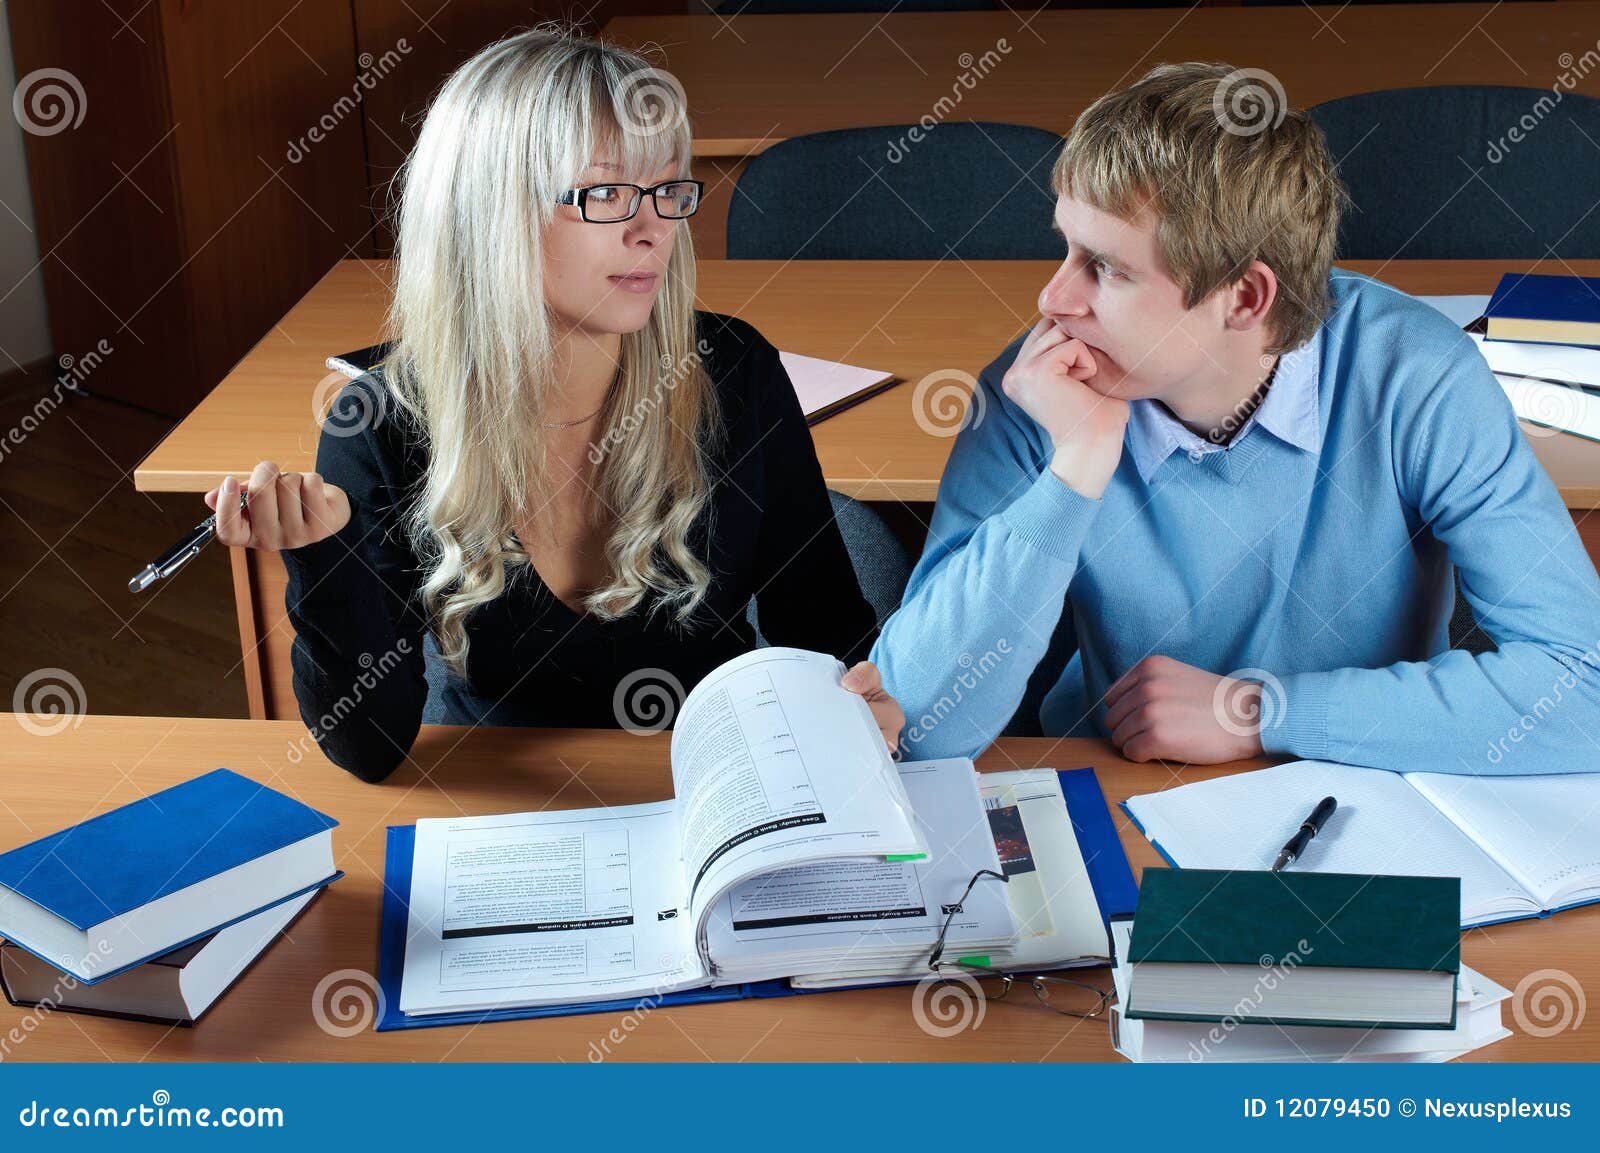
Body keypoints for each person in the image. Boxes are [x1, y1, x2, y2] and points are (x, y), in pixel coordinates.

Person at [203, 28, 903, 782]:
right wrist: (323, 557)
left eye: (668, 189)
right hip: (505, 794)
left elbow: (827, 632)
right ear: (490, 213)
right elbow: (373, 749)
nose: (653, 229)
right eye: (604, 193)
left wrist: (867, 694)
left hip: (713, 775)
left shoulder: (730, 369)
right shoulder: (380, 424)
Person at [874, 62, 1600, 775]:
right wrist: (1076, 467)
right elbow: (915, 729)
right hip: (1121, 780)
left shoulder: (1417, 376)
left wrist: (1260, 712)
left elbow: (1582, 688)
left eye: (1108, 269)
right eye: (1064, 249)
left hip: (1369, 785)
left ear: (1246, 298)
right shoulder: (1037, 390)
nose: (1053, 300)